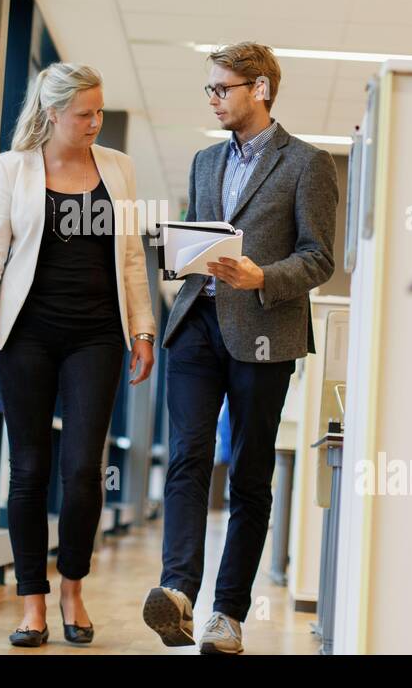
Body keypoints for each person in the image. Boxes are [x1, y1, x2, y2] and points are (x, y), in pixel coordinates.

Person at [142, 41, 338, 654]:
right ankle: (177, 592)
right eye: (209, 89)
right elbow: (205, 238)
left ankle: (227, 616)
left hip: (262, 330)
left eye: (222, 89)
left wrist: (263, 277)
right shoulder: (203, 161)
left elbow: (318, 257)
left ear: (261, 90)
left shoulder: (308, 163)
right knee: (188, 455)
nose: (213, 99)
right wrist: (181, 253)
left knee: (250, 475)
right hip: (197, 323)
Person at [0, 62, 156, 648]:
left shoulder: (118, 169)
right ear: (52, 115)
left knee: (81, 470)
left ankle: (72, 585)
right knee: (29, 469)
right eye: (84, 114)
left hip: (96, 336)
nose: (95, 122)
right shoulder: (13, 170)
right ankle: (32, 600)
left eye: (99, 111)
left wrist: (143, 331)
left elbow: (129, 260)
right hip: (27, 335)